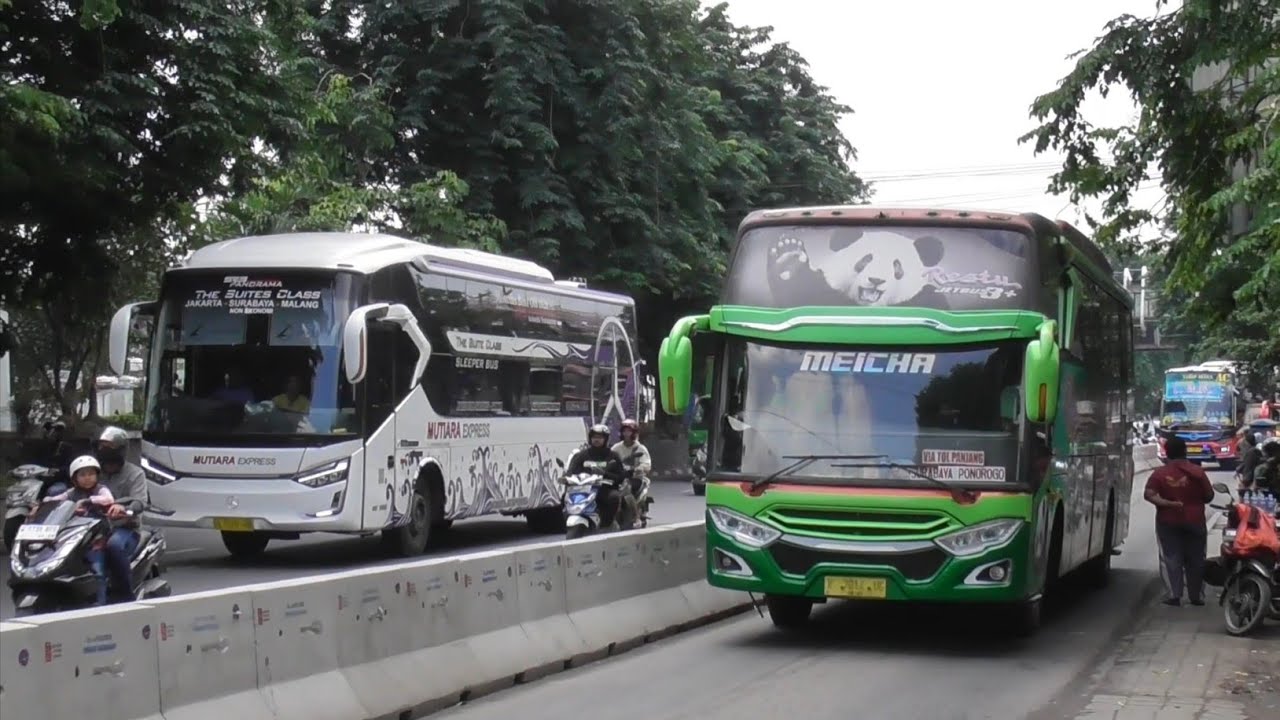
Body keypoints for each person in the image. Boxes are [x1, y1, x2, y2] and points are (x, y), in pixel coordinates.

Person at [1144, 436, 1216, 606]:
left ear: (1167, 452)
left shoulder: (1160, 473)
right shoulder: (1198, 472)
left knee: (1170, 557)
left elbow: (1149, 494)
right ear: (1185, 451)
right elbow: (1209, 496)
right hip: (1195, 520)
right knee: (1196, 558)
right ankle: (1196, 596)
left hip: (1168, 520)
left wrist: (1168, 504)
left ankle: (1174, 595)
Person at [47, 456, 117, 605]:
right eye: (82, 475)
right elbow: (57, 499)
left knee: (97, 570)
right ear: (75, 478)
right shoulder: (71, 493)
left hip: (96, 539)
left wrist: (89, 500)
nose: (87, 478)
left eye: (91, 474)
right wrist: (44, 502)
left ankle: (101, 603)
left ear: (97, 475)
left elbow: (108, 499)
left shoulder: (100, 489)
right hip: (75, 537)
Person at [94, 426, 147, 602]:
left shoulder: (135, 474)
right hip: (95, 528)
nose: (103, 450)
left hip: (124, 528)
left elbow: (140, 501)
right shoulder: (93, 473)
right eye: (101, 446)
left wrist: (124, 508)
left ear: (121, 449)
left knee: (114, 546)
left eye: (108, 446)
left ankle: (125, 596)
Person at [565, 424, 626, 529]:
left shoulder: (613, 456)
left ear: (606, 439)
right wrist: (567, 478)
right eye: (594, 437)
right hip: (584, 490)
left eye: (600, 437)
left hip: (604, 489)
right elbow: (571, 471)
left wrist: (604, 474)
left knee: (614, 497)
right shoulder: (582, 455)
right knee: (564, 497)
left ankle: (606, 524)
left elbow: (620, 477)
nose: (596, 440)